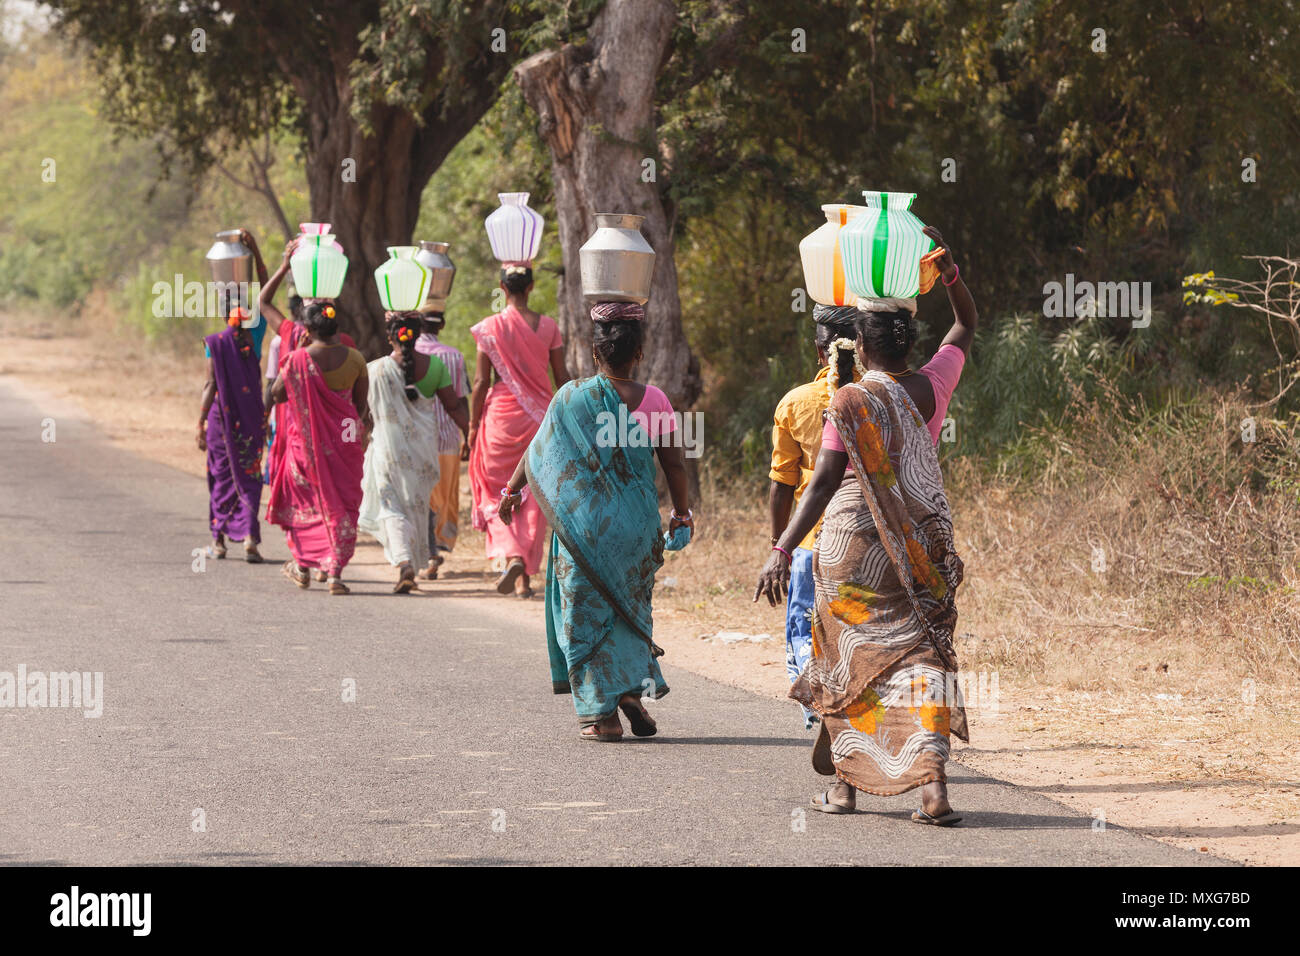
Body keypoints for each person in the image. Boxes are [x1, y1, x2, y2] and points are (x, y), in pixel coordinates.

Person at [753, 238, 974, 827]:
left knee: (848, 659)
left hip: (850, 543)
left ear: (859, 341)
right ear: (908, 338)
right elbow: (965, 326)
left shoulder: (847, 400)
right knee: (923, 655)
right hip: (917, 540)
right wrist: (950, 276)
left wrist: (781, 548)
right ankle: (933, 791)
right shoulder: (933, 385)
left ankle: (847, 790)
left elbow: (823, 481)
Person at [500, 302, 692, 741]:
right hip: (637, 530)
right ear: (639, 353)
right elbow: (675, 466)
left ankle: (602, 716)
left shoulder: (569, 396)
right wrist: (681, 513)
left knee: (584, 614)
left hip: (583, 529)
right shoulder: (657, 400)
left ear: (593, 351)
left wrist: (512, 492)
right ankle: (630, 694)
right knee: (629, 610)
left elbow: (536, 453)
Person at [769, 303, 862, 729]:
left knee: (806, 631)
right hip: (867, 541)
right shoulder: (884, 396)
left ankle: (820, 708)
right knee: (859, 631)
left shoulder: (795, 403)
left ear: (818, 350)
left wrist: (780, 549)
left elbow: (782, 484)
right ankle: (857, 711)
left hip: (808, 544)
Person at [468, 265, 570, 598]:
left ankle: (512, 555)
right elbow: (561, 375)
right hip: (539, 421)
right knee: (535, 494)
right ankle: (525, 577)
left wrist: (471, 426)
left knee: (499, 488)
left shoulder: (489, 328)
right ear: (531, 287)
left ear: (502, 286)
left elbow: (482, 382)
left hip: (500, 419)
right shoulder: (550, 327)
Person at [359, 312, 471, 593]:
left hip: (388, 453)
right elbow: (454, 407)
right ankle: (415, 558)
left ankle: (404, 561)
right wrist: (470, 434)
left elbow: (364, 416)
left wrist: (355, 441)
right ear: (418, 335)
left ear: (390, 336)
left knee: (391, 508)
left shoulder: (375, 370)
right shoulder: (435, 367)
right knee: (418, 509)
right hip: (423, 454)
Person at [265, 302, 369, 595]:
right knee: (342, 504)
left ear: (308, 331)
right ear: (337, 328)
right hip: (346, 442)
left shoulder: (298, 359)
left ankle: (302, 564)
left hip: (306, 446)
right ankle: (334, 571)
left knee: (305, 503)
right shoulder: (356, 359)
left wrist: (294, 357)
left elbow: (276, 394)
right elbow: (360, 407)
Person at [197, 306, 266, 563]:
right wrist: (276, 269)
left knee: (221, 476)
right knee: (248, 477)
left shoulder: (214, 344)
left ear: (225, 316)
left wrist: (200, 423)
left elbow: (210, 384)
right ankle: (249, 538)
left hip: (222, 422)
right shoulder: (254, 340)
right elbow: (264, 298)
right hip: (250, 421)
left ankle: (218, 542)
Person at [414, 308, 471, 580]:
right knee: (443, 496)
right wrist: (469, 433)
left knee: (423, 496)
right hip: (448, 439)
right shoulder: (454, 356)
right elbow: (460, 400)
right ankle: (435, 548)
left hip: (415, 439)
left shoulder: (405, 352)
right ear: (443, 324)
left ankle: (425, 553)